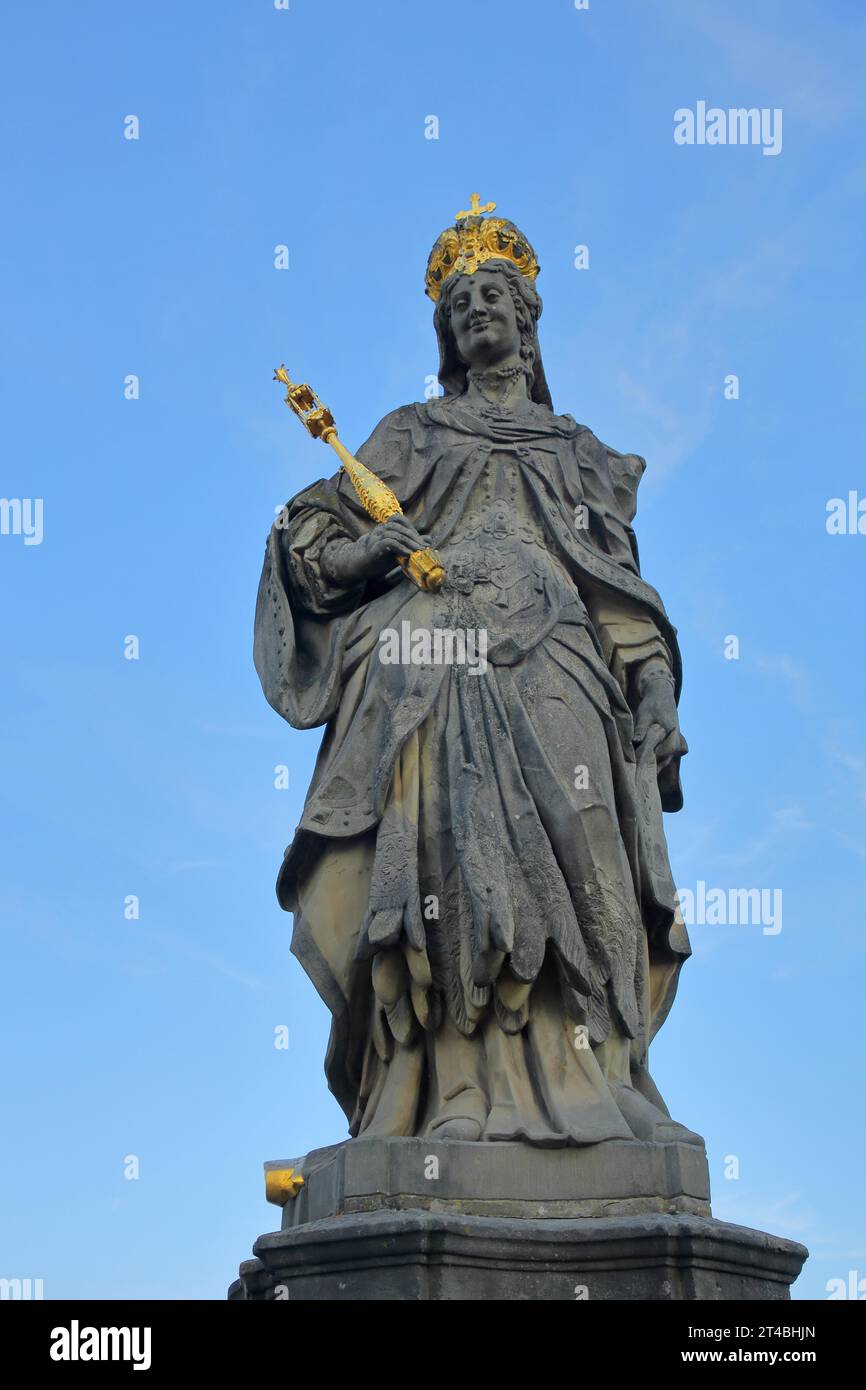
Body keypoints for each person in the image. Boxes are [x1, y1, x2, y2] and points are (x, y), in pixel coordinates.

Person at [255, 197, 701, 1147]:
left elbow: (620, 592)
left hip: (558, 648)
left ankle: (602, 1074)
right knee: (449, 855)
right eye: (458, 306)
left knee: (588, 841)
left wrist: (655, 695)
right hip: (432, 650)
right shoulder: (410, 432)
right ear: (445, 335)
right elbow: (313, 531)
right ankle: (448, 1082)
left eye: (492, 297)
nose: (474, 313)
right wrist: (373, 552)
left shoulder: (578, 452)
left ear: (530, 321)